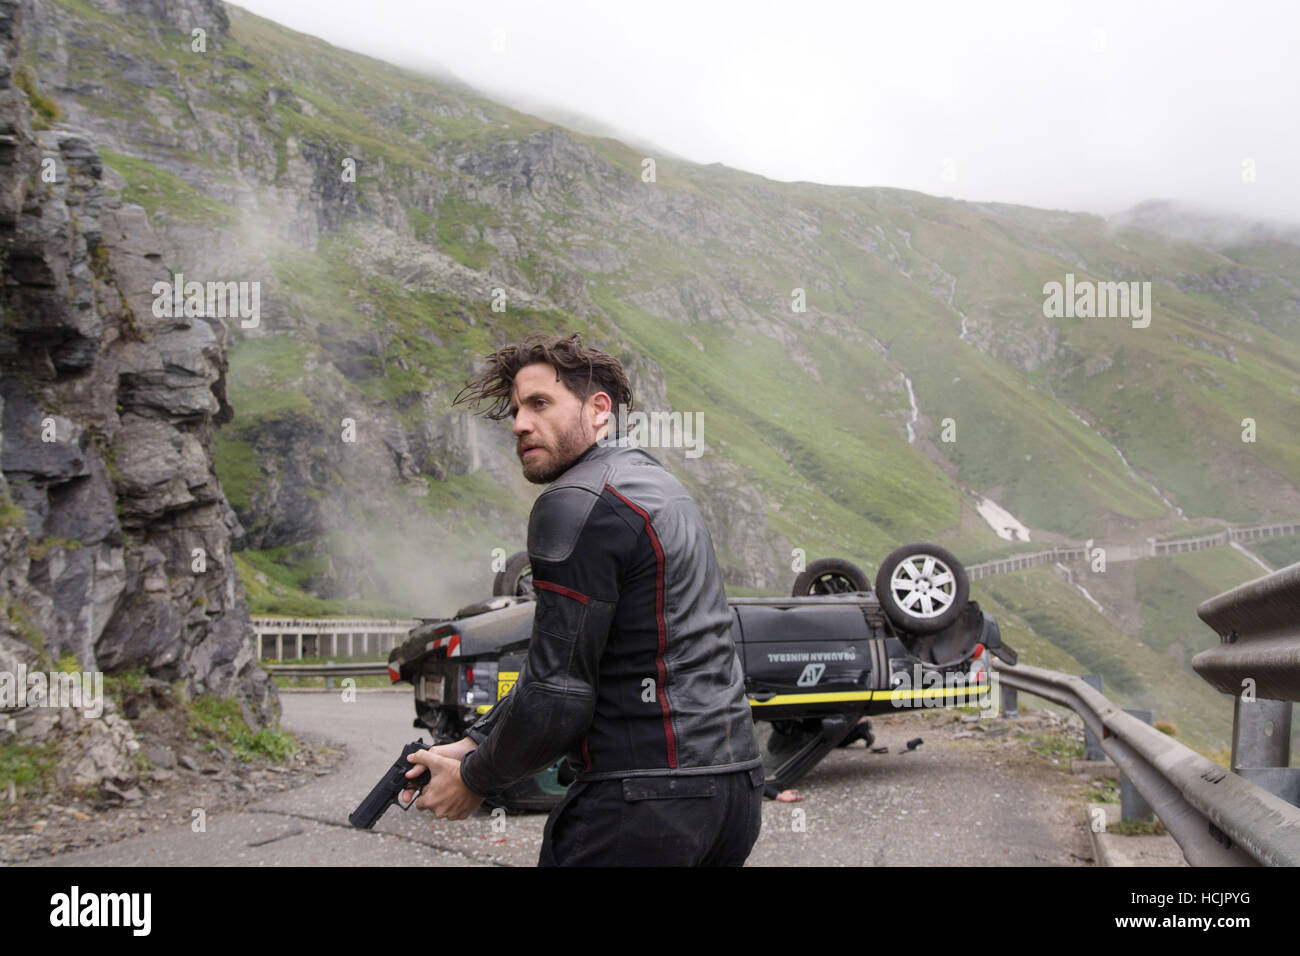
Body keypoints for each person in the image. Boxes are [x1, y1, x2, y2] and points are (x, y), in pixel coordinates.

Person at [401, 332, 763, 866]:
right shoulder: (659, 487)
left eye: (540, 403)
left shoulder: (575, 500)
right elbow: (576, 663)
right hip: (731, 791)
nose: (521, 424)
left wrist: (476, 779)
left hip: (639, 802)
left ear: (598, 410)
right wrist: (475, 739)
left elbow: (559, 691)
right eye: (518, 410)